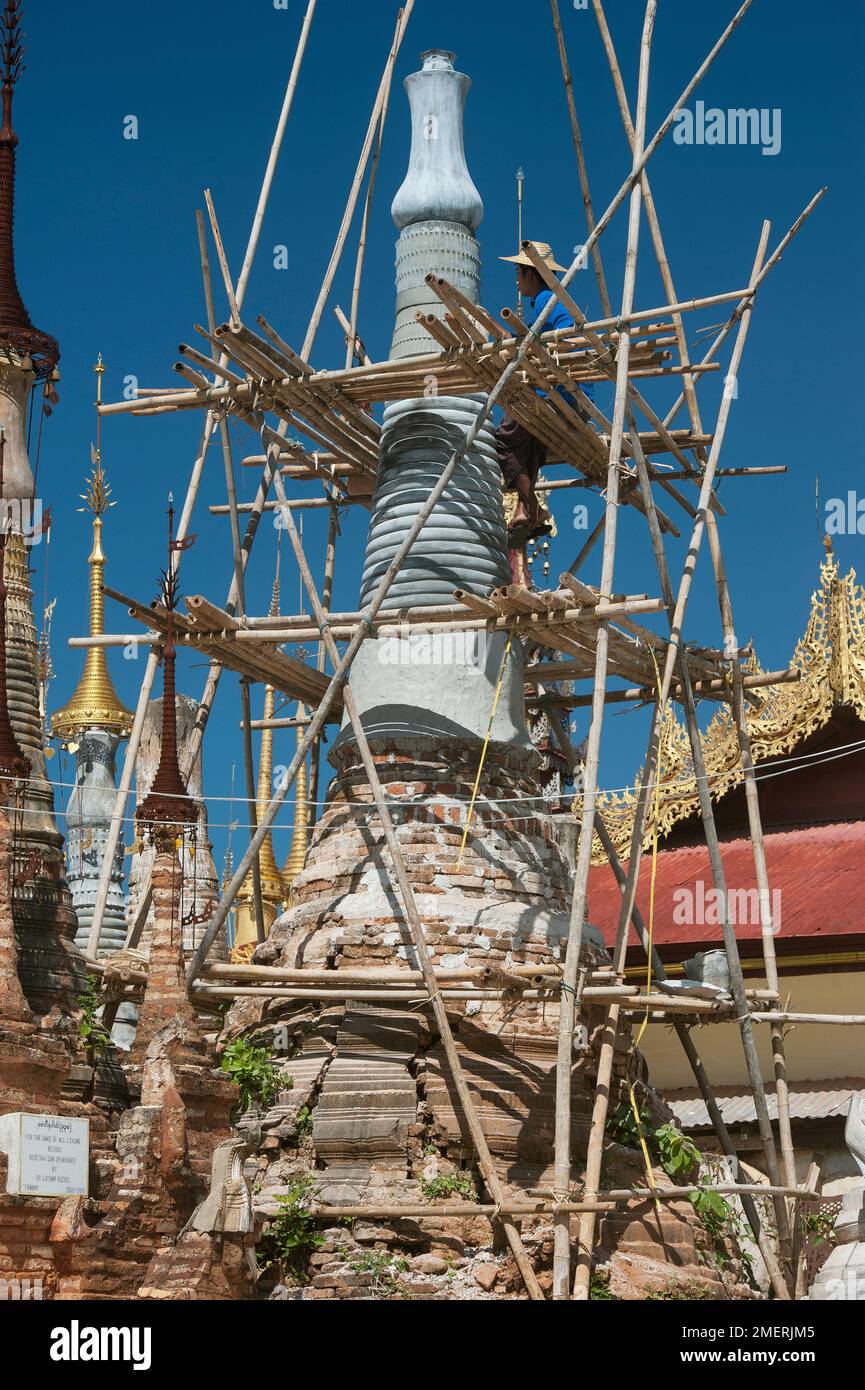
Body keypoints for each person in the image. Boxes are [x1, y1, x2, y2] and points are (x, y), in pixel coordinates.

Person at [495, 240, 592, 545]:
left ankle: (534, 507)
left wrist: (500, 338)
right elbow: (531, 338)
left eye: (519, 273)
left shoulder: (545, 300)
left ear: (532, 275)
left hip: (562, 393)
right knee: (530, 441)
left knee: (504, 439)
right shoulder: (554, 303)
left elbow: (529, 343)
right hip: (576, 397)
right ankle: (525, 510)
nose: (516, 280)